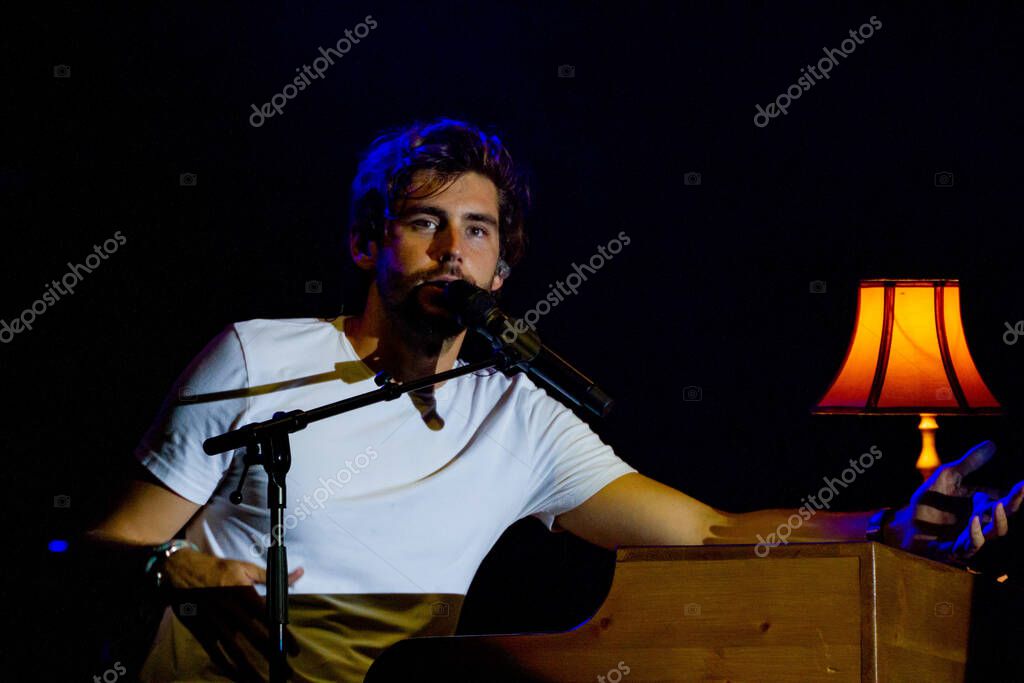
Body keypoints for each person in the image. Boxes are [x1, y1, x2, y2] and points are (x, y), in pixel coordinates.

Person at [87, 118, 1024, 682]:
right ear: (370, 242)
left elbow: (705, 532)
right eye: (424, 222)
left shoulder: (517, 414)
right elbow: (102, 544)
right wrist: (177, 566)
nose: (453, 249)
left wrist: (884, 526)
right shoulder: (261, 354)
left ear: (503, 262)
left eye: (478, 229)